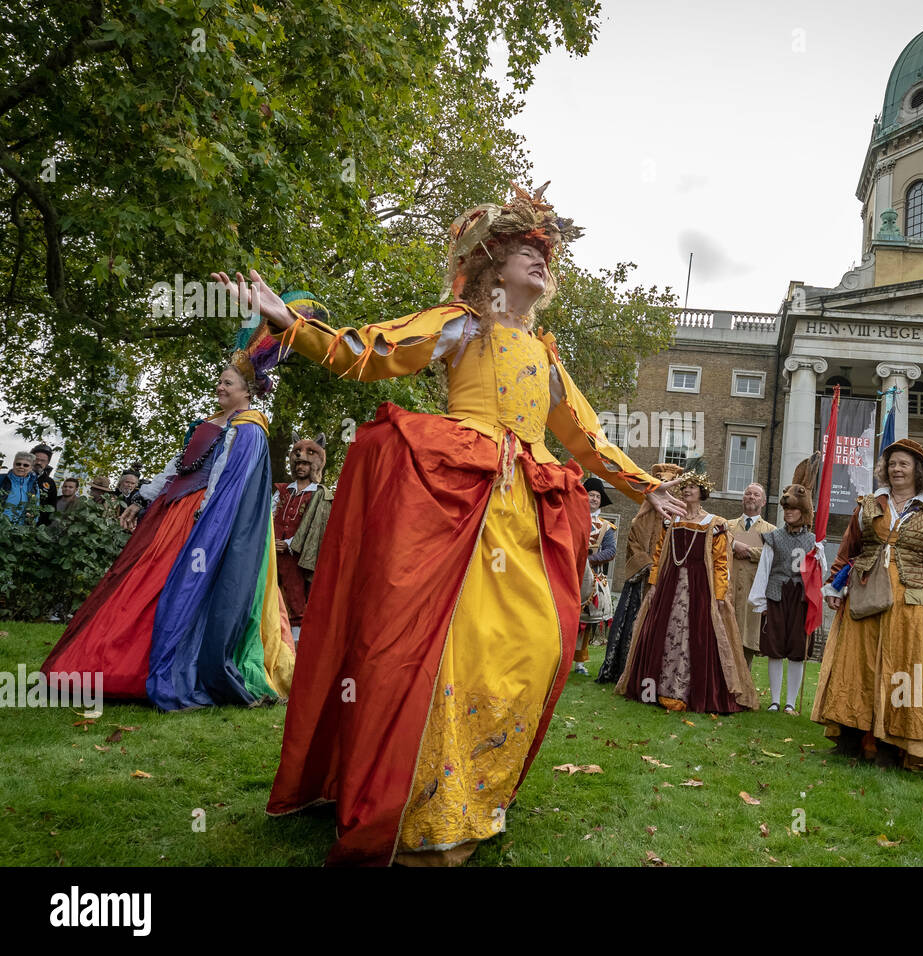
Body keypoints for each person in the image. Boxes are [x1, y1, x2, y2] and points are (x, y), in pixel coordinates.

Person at [244, 183, 685, 866]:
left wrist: (648, 488)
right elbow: (374, 351)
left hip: (528, 511)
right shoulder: (462, 323)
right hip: (457, 500)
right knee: (453, 646)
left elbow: (587, 440)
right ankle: (432, 806)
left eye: (546, 252)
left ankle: (479, 787)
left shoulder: (546, 355)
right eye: (523, 248)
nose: (540, 260)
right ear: (491, 263)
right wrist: (290, 324)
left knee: (538, 647)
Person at [41, 353, 296, 710]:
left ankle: (152, 669)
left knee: (172, 589)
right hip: (171, 511)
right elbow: (179, 465)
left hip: (198, 521)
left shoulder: (249, 427)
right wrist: (141, 499)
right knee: (139, 584)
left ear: (247, 391)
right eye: (220, 381)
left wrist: (206, 518)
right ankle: (104, 662)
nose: (220, 387)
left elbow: (227, 481)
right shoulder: (210, 421)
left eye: (228, 383)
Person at [816, 438, 923, 772]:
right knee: (857, 666)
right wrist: (834, 584)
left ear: (918, 471)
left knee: (903, 672)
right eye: (892, 463)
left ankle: (891, 747)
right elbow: (849, 548)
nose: (896, 469)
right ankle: (851, 737)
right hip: (865, 595)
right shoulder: (869, 504)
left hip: (910, 604)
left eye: (903, 464)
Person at [617, 472, 758, 714]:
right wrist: (653, 585)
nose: (687, 491)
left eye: (692, 487)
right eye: (685, 487)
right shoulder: (670, 520)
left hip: (700, 587)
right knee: (664, 631)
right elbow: (659, 555)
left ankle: (688, 693)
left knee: (697, 635)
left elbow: (721, 561)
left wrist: (720, 594)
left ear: (702, 493)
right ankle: (657, 690)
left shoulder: (715, 523)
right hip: (670, 584)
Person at [748, 463, 826, 715]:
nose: (788, 513)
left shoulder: (814, 541)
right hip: (777, 595)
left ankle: (791, 701)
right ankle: (774, 700)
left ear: (803, 510)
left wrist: (819, 558)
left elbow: (818, 574)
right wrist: (760, 601)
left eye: (793, 509)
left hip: (801, 598)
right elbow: (765, 568)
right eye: (786, 509)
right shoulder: (774, 538)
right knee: (775, 647)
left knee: (796, 649)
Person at [597, 462, 681, 684]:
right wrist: (651, 569)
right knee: (634, 624)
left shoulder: (680, 519)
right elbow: (634, 546)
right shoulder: (642, 518)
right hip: (643, 582)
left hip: (668, 582)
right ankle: (628, 671)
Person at [273, 433, 331, 637]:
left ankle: (296, 644)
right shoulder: (281, 491)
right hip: (271, 552)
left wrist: (289, 544)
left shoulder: (320, 494)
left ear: (314, 465)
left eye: (306, 464)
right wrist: (270, 541)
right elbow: (268, 516)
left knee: (296, 598)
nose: (301, 466)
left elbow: (316, 528)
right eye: (297, 462)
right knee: (267, 594)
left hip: (297, 558)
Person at [729, 483, 776, 670]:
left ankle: (744, 683)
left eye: (756, 495)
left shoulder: (771, 531)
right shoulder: (727, 526)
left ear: (763, 501)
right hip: (729, 588)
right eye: (747, 493)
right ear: (742, 498)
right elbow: (717, 547)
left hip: (752, 591)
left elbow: (772, 555)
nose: (751, 497)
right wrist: (733, 546)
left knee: (747, 639)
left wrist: (747, 551)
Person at [575, 475, 616, 676]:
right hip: (569, 574)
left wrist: (587, 560)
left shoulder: (606, 527)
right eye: (590, 495)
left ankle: (579, 663)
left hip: (593, 580)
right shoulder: (571, 520)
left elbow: (610, 551)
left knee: (585, 622)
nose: (593, 499)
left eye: (597, 496)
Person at [1, 452, 41, 523]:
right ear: (13, 464)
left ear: (31, 468)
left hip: (20, 530)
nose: (21, 467)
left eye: (26, 465)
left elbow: (36, 508)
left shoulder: (34, 486)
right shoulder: (1, 479)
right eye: (18, 464)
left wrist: (33, 519)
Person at [30, 443, 58, 525]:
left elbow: (52, 508)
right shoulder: (19, 476)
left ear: (48, 462)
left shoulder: (50, 483)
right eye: (36, 459)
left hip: (35, 527)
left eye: (43, 461)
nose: (38, 462)